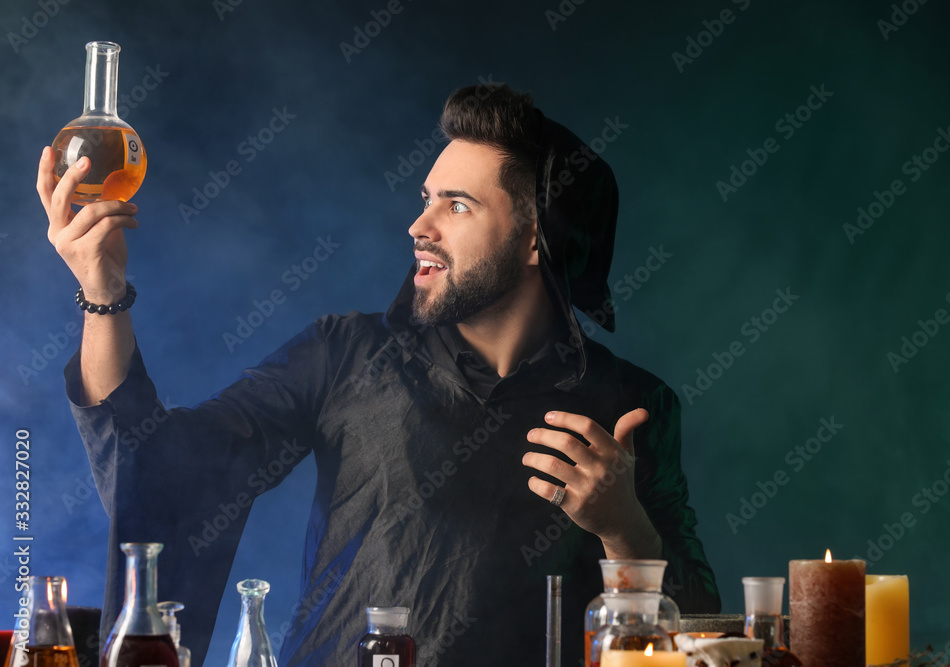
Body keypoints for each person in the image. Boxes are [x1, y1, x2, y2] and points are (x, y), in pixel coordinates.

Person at [38, 82, 720, 666]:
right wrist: (104, 290)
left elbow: (702, 635)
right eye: (426, 197)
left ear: (537, 238)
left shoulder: (631, 403)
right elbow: (161, 474)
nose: (418, 225)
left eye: (457, 204)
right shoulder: (347, 352)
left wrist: (625, 527)